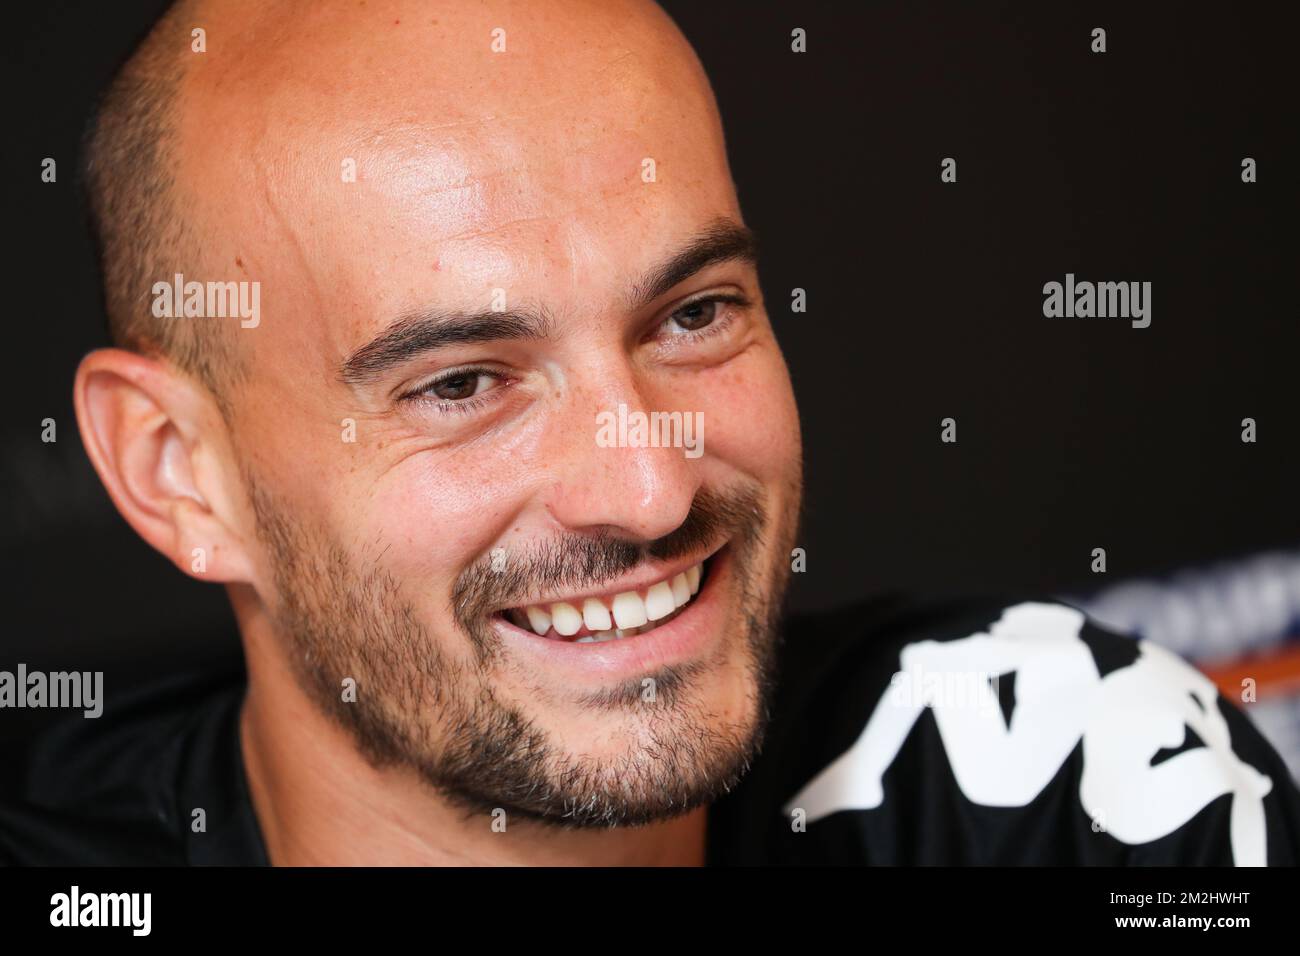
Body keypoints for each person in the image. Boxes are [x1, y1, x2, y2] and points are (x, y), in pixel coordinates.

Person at [3, 0, 1297, 866]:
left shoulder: (1048, 775)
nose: (648, 484)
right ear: (181, 475)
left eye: (693, 314)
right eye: (461, 384)